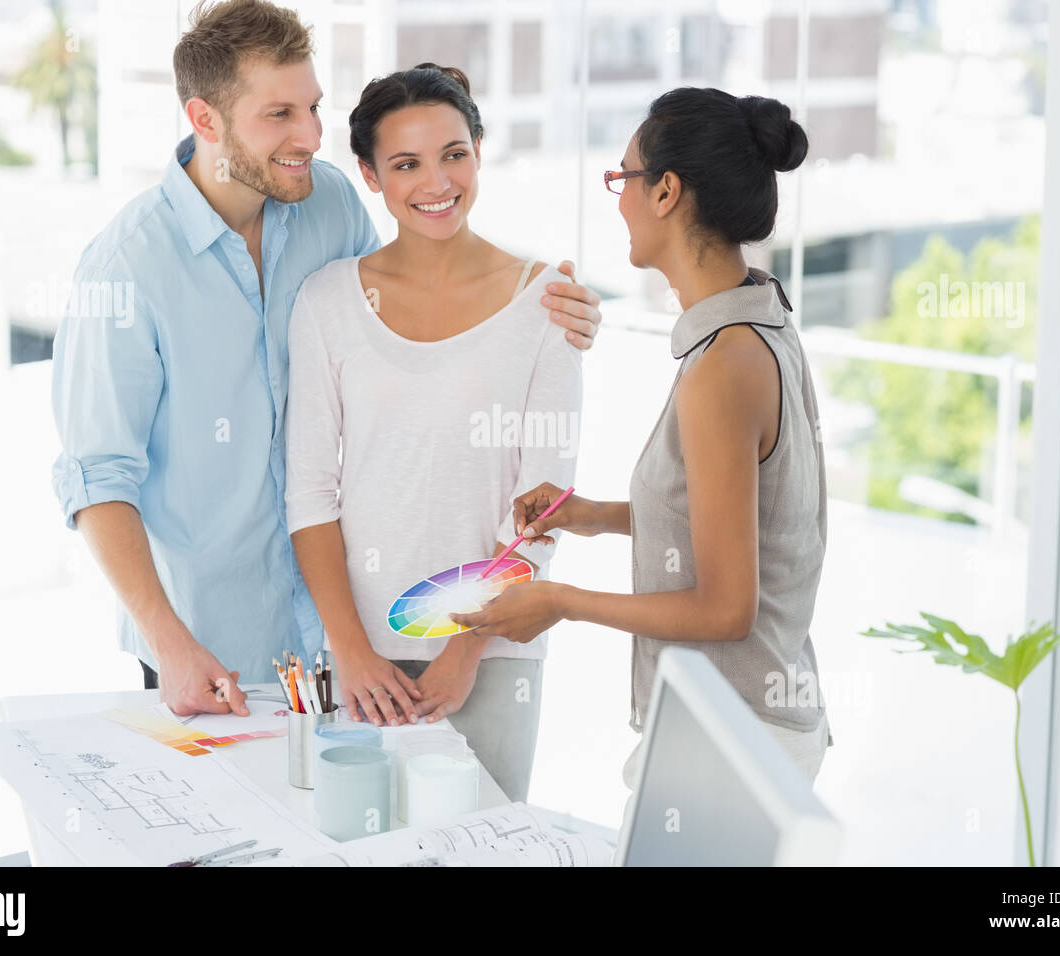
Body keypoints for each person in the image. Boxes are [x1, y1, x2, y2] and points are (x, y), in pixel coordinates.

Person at [49, 0, 602, 718]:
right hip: (213, 648)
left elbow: (405, 318)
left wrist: (547, 309)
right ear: (205, 119)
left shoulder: (329, 204)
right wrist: (170, 642)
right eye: (279, 114)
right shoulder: (125, 270)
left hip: (356, 632)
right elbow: (96, 477)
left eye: (312, 107)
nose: (310, 136)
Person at [450, 88, 833, 783]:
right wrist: (593, 517)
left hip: (733, 742)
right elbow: (739, 525)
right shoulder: (760, 321)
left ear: (666, 192)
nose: (618, 198)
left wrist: (558, 602)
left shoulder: (724, 365)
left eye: (623, 177)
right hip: (749, 729)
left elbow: (726, 608)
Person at [284, 64, 583, 802]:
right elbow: (310, 491)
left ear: (479, 149)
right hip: (362, 654)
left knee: (486, 845)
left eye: (454, 153)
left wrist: (466, 646)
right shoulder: (327, 302)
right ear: (370, 175)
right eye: (406, 164)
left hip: (495, 648)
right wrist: (350, 651)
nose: (436, 181)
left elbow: (543, 502)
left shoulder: (548, 302)